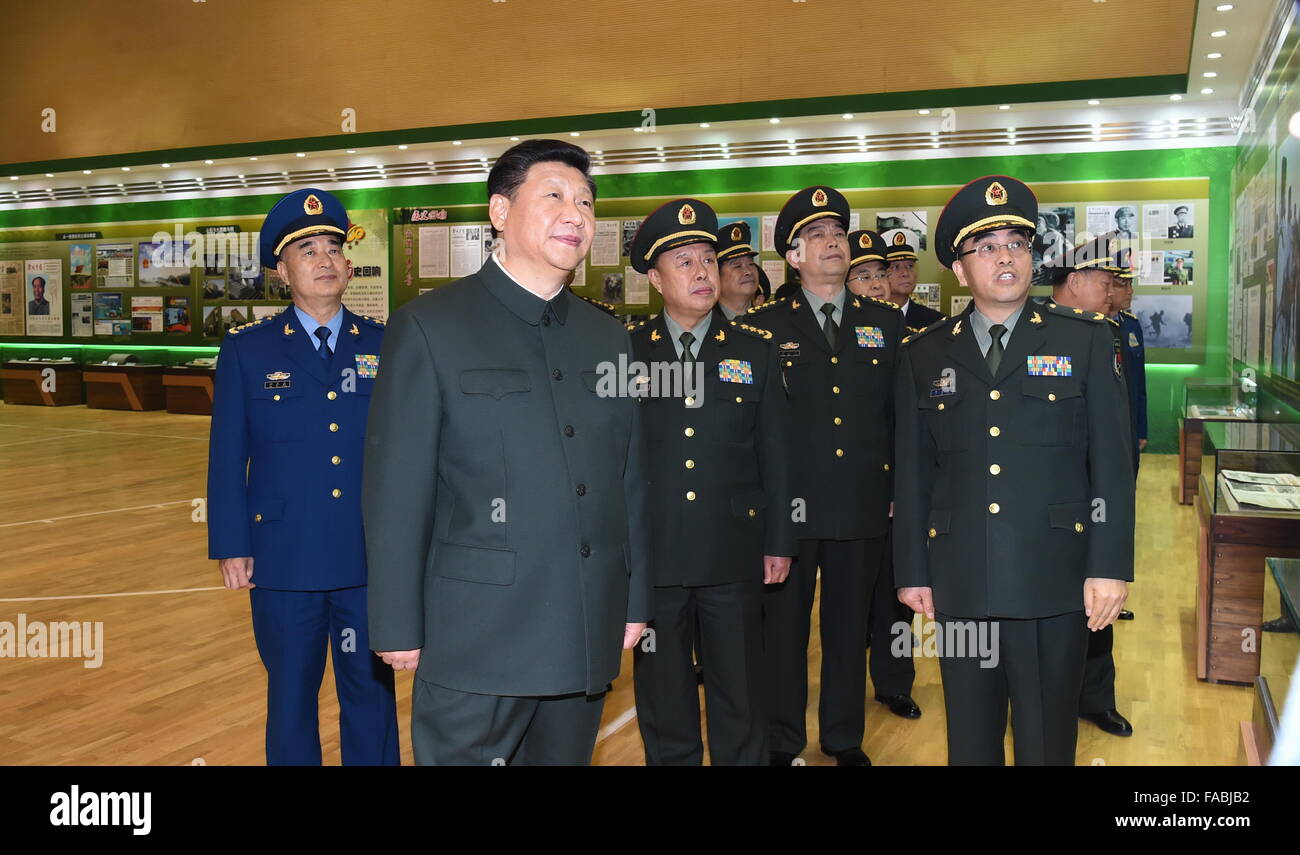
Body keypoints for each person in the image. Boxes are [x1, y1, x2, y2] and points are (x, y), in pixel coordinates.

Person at [361, 139, 652, 766]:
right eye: (553, 195)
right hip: (476, 638)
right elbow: (397, 488)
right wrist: (394, 622)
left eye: (585, 201)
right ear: (499, 212)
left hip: (582, 625)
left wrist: (634, 599)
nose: (575, 214)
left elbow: (628, 480)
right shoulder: (430, 327)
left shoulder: (609, 338)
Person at [894, 175, 1135, 765]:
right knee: (970, 742)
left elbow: (1112, 463)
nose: (1006, 256)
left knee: (1048, 741)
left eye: (1018, 244)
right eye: (988, 247)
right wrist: (912, 570)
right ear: (959, 269)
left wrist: (1109, 567)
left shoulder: (1083, 340)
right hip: (960, 578)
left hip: (1053, 578)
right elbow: (912, 472)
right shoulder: (924, 352)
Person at [206, 188, 398, 765]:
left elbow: (406, 454)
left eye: (335, 247)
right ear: (281, 269)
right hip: (284, 556)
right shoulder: (249, 351)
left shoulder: (385, 347)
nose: (325, 259)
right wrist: (232, 543)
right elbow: (226, 454)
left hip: (367, 556)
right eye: (308, 249)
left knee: (370, 691)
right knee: (291, 695)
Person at [626, 198, 794, 765]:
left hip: (734, 553)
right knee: (663, 692)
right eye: (685, 262)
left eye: (708, 260)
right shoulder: (626, 353)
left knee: (740, 690)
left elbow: (777, 454)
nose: (702, 273)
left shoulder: (754, 351)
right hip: (655, 555)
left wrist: (779, 542)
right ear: (655, 277)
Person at [746, 185, 903, 766]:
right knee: (783, 635)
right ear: (792, 256)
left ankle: (843, 739)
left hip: (863, 504)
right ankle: (782, 740)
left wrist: (895, 493)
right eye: (816, 236)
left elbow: (898, 419)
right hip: (790, 510)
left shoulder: (884, 324)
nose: (832, 243)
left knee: (848, 633)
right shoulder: (763, 328)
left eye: (837, 233)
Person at [1040, 238, 1135, 739]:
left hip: (1094, 498)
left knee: (1097, 614)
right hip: (1044, 510)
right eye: (1104, 282)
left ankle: (1096, 698)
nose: (1112, 292)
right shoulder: (1030, 335)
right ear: (1074, 283)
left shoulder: (1104, 332)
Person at [885, 233, 944, 330]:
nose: (905, 273)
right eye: (895, 267)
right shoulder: (870, 319)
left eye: (910, 266)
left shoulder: (935, 322)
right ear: (882, 274)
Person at [715, 221, 762, 320]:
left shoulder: (770, 321)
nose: (748, 272)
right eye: (737, 266)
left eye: (751, 264)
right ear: (717, 276)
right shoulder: (704, 325)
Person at [845, 229, 891, 300]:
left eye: (882, 275)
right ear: (845, 284)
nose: (877, 285)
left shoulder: (896, 311)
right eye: (865, 277)